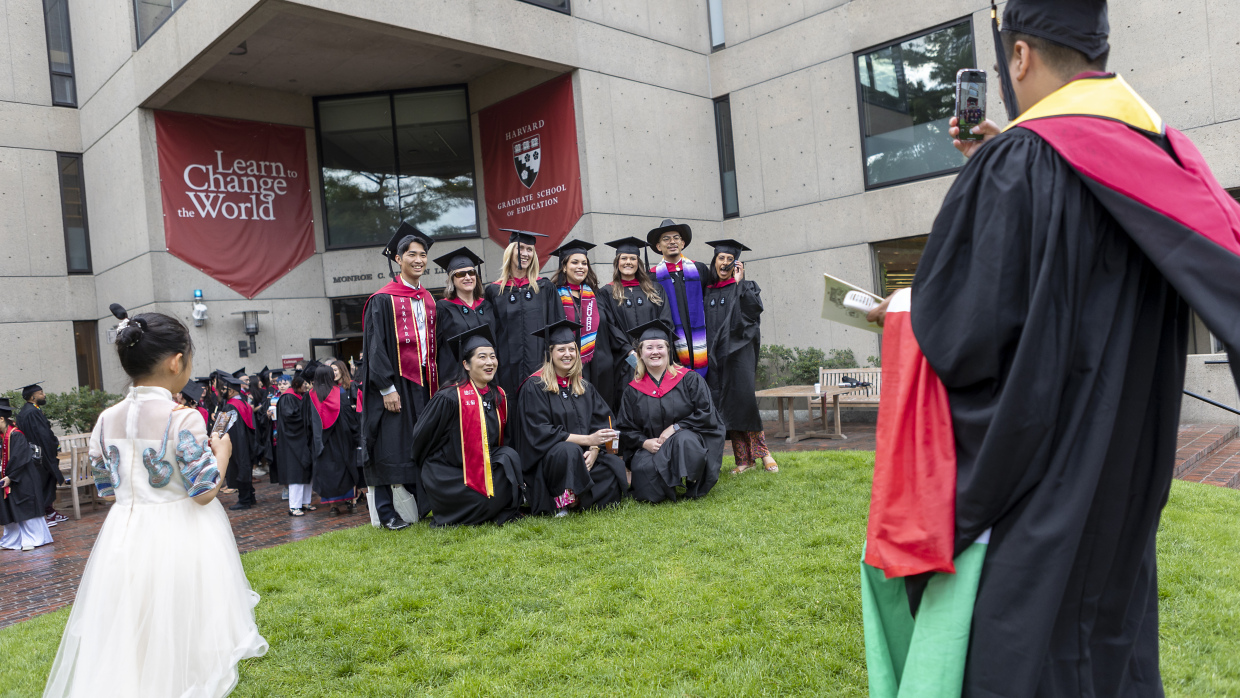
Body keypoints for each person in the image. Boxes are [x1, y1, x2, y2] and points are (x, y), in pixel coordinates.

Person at [858, 2, 1240, 696]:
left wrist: (905, 310)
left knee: (1022, 657)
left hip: (1034, 491)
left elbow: (967, 340)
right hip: (1122, 485)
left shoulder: (1019, 164)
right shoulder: (1166, 158)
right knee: (1106, 651)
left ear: (1022, 56)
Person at [44, 303, 266, 697]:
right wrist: (223, 454)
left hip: (124, 535)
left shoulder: (105, 420)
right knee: (185, 626)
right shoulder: (183, 418)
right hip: (181, 531)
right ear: (176, 361)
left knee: (132, 628)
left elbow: (107, 490)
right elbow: (203, 494)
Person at [361, 223, 437, 531]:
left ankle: (420, 505)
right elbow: (375, 347)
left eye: (423, 255)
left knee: (419, 442)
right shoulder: (382, 299)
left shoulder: (429, 300)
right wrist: (386, 388)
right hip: (396, 384)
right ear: (398, 259)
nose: (419, 260)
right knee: (389, 444)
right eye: (412, 255)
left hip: (425, 384)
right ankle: (386, 511)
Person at [410, 325, 523, 527]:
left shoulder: (498, 396)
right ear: (466, 364)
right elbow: (422, 436)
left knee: (509, 457)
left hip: (483, 466)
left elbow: (501, 443)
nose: (489, 362)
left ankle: (490, 505)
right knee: (485, 498)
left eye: (492, 356)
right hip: (449, 474)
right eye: (482, 357)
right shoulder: (449, 397)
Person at [515, 319, 627, 516]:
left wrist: (593, 449)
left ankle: (578, 499)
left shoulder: (583, 386)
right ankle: (562, 503)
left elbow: (603, 421)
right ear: (550, 353)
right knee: (568, 451)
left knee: (611, 465)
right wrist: (586, 440)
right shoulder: (535, 386)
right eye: (561, 350)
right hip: (550, 463)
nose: (567, 354)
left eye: (571, 349)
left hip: (583, 457)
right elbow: (539, 432)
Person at [616, 319, 724, 503]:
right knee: (649, 493)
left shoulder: (690, 380)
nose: (655, 352)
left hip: (686, 441)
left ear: (668, 351)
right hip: (652, 447)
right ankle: (665, 482)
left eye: (660, 347)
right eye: (649, 348)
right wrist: (644, 443)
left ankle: (690, 479)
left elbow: (707, 413)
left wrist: (676, 428)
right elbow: (625, 428)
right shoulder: (632, 391)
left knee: (685, 440)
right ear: (640, 353)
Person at [701, 240, 776, 474]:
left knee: (744, 401)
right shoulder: (707, 289)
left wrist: (739, 284)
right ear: (714, 262)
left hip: (739, 354)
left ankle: (764, 453)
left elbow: (752, 314)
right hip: (715, 357)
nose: (725, 263)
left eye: (729, 259)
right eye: (721, 258)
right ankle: (743, 460)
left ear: (737, 264)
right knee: (726, 405)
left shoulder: (746, 286)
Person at [599, 237, 673, 414]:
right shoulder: (607, 292)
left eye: (632, 258)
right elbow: (609, 326)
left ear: (638, 262)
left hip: (654, 356)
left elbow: (665, 319)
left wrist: (651, 348)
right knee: (630, 404)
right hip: (625, 360)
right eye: (624, 258)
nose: (628, 262)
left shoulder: (655, 289)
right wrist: (630, 352)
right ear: (617, 262)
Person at [543, 239, 614, 398]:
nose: (580, 267)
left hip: (602, 365)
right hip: (569, 365)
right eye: (575, 262)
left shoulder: (597, 295)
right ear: (564, 266)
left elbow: (611, 328)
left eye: (584, 263)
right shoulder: (554, 295)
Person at [485, 229, 551, 398]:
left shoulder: (544, 287)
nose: (525, 253)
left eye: (530, 250)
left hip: (539, 366)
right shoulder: (494, 291)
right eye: (520, 248)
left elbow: (554, 327)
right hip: (506, 368)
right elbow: (491, 333)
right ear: (510, 252)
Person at [647, 219, 710, 377]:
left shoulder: (699, 269)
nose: (672, 242)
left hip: (704, 339)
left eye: (676, 237)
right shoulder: (652, 276)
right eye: (666, 239)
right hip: (672, 342)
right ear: (658, 246)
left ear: (682, 243)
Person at [433, 247, 496, 388]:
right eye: (461, 274)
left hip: (486, 379)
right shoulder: (443, 307)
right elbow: (436, 347)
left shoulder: (486, 306)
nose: (468, 277)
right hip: (455, 379)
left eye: (471, 272)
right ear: (451, 279)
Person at [0, 397, 54, 551]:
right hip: (10, 477)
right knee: (11, 509)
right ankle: (12, 540)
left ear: (1, 418)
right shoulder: (3, 435)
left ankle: (35, 538)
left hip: (23, 477)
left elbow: (21, 458)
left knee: (26, 507)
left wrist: (11, 477)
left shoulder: (16, 435)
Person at [307, 362, 360, 516]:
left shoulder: (311, 395)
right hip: (341, 439)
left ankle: (332, 506)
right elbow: (348, 419)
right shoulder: (340, 392)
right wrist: (355, 435)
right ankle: (352, 502)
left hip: (322, 441)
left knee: (327, 471)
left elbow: (308, 422)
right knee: (346, 469)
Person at [15, 383, 68, 525]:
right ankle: (48, 514)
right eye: (40, 393)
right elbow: (43, 435)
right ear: (32, 397)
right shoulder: (32, 412)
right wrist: (53, 446)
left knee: (43, 483)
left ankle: (48, 513)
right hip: (41, 456)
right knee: (45, 482)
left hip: (35, 455)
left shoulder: (27, 411)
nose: (43, 395)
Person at [215, 369, 256, 511]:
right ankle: (250, 496)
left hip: (237, 443)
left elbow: (220, 428)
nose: (223, 391)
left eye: (225, 389)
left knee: (240, 468)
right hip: (247, 442)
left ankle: (244, 500)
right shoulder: (244, 403)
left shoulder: (230, 406)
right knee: (246, 468)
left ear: (231, 391)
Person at [277, 367, 313, 517]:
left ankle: (305, 502)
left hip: (302, 441)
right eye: (305, 383)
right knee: (296, 473)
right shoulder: (288, 398)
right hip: (292, 442)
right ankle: (294, 506)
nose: (307, 386)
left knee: (306, 471)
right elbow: (291, 419)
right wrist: (309, 419)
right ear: (297, 383)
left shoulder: (301, 396)